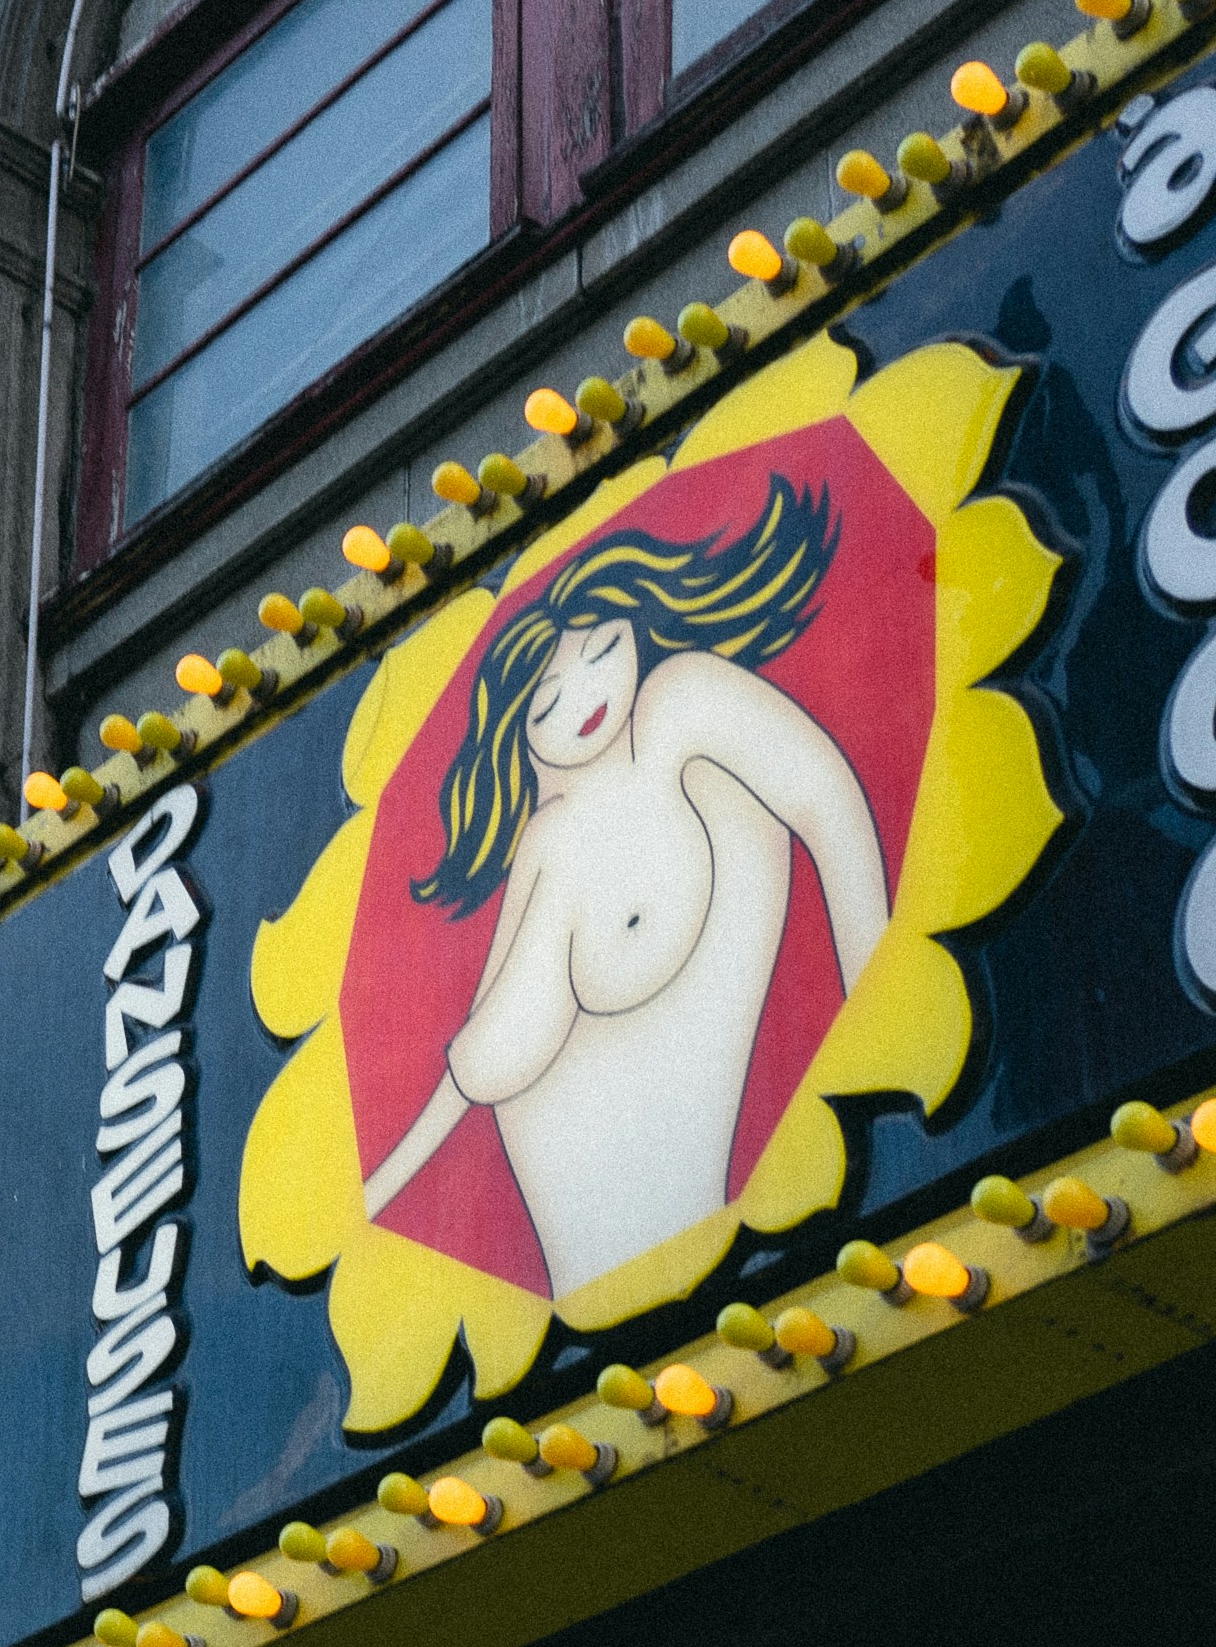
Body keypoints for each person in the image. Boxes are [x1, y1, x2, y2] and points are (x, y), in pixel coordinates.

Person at [357, 487, 894, 1299]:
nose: (586, 696)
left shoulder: (680, 704)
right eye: (546, 700)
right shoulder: (547, 841)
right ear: (519, 731)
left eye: (605, 646)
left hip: (718, 1249)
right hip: (595, 1291)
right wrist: (370, 1201)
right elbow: (476, 1065)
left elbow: (832, 809)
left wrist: (882, 1023)